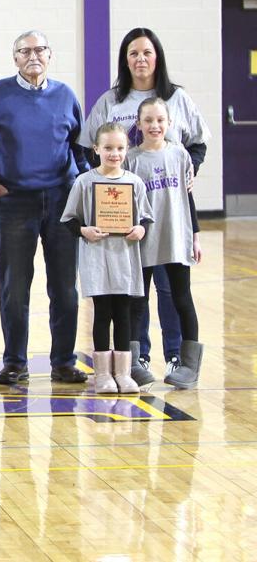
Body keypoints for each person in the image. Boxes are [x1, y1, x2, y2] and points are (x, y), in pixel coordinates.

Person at [79, 27, 210, 382]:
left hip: (173, 215)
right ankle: (138, 359)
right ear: (125, 59)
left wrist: (187, 171)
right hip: (133, 219)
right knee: (135, 293)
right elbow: (88, 148)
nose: (140, 59)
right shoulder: (112, 101)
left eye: (147, 53)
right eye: (133, 53)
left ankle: (178, 359)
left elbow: (198, 145)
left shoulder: (177, 101)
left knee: (175, 292)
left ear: (157, 57)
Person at [0, 31, 89, 386]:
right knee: (14, 286)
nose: (33, 55)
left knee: (65, 287)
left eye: (40, 49)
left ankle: (64, 362)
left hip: (61, 200)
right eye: (25, 51)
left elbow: (79, 148)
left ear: (50, 55)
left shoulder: (66, 95)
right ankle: (15, 363)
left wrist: (85, 187)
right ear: (15, 58)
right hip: (14, 202)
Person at [60, 122, 152, 394]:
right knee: (102, 314)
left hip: (124, 259)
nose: (114, 153)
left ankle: (122, 373)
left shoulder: (134, 182)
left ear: (127, 150)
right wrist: (84, 230)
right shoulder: (84, 182)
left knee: (123, 314)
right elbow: (68, 220)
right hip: (97, 260)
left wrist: (140, 228)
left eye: (120, 148)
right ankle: (102, 375)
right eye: (109, 148)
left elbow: (145, 217)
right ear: (96, 149)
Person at [125, 97, 203, 388]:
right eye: (148, 120)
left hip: (175, 237)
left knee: (182, 298)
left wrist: (195, 235)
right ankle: (133, 362)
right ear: (139, 124)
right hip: (142, 240)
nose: (155, 125)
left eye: (160, 120)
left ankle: (189, 366)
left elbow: (189, 198)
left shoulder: (180, 154)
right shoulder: (131, 158)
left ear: (169, 123)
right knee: (137, 301)